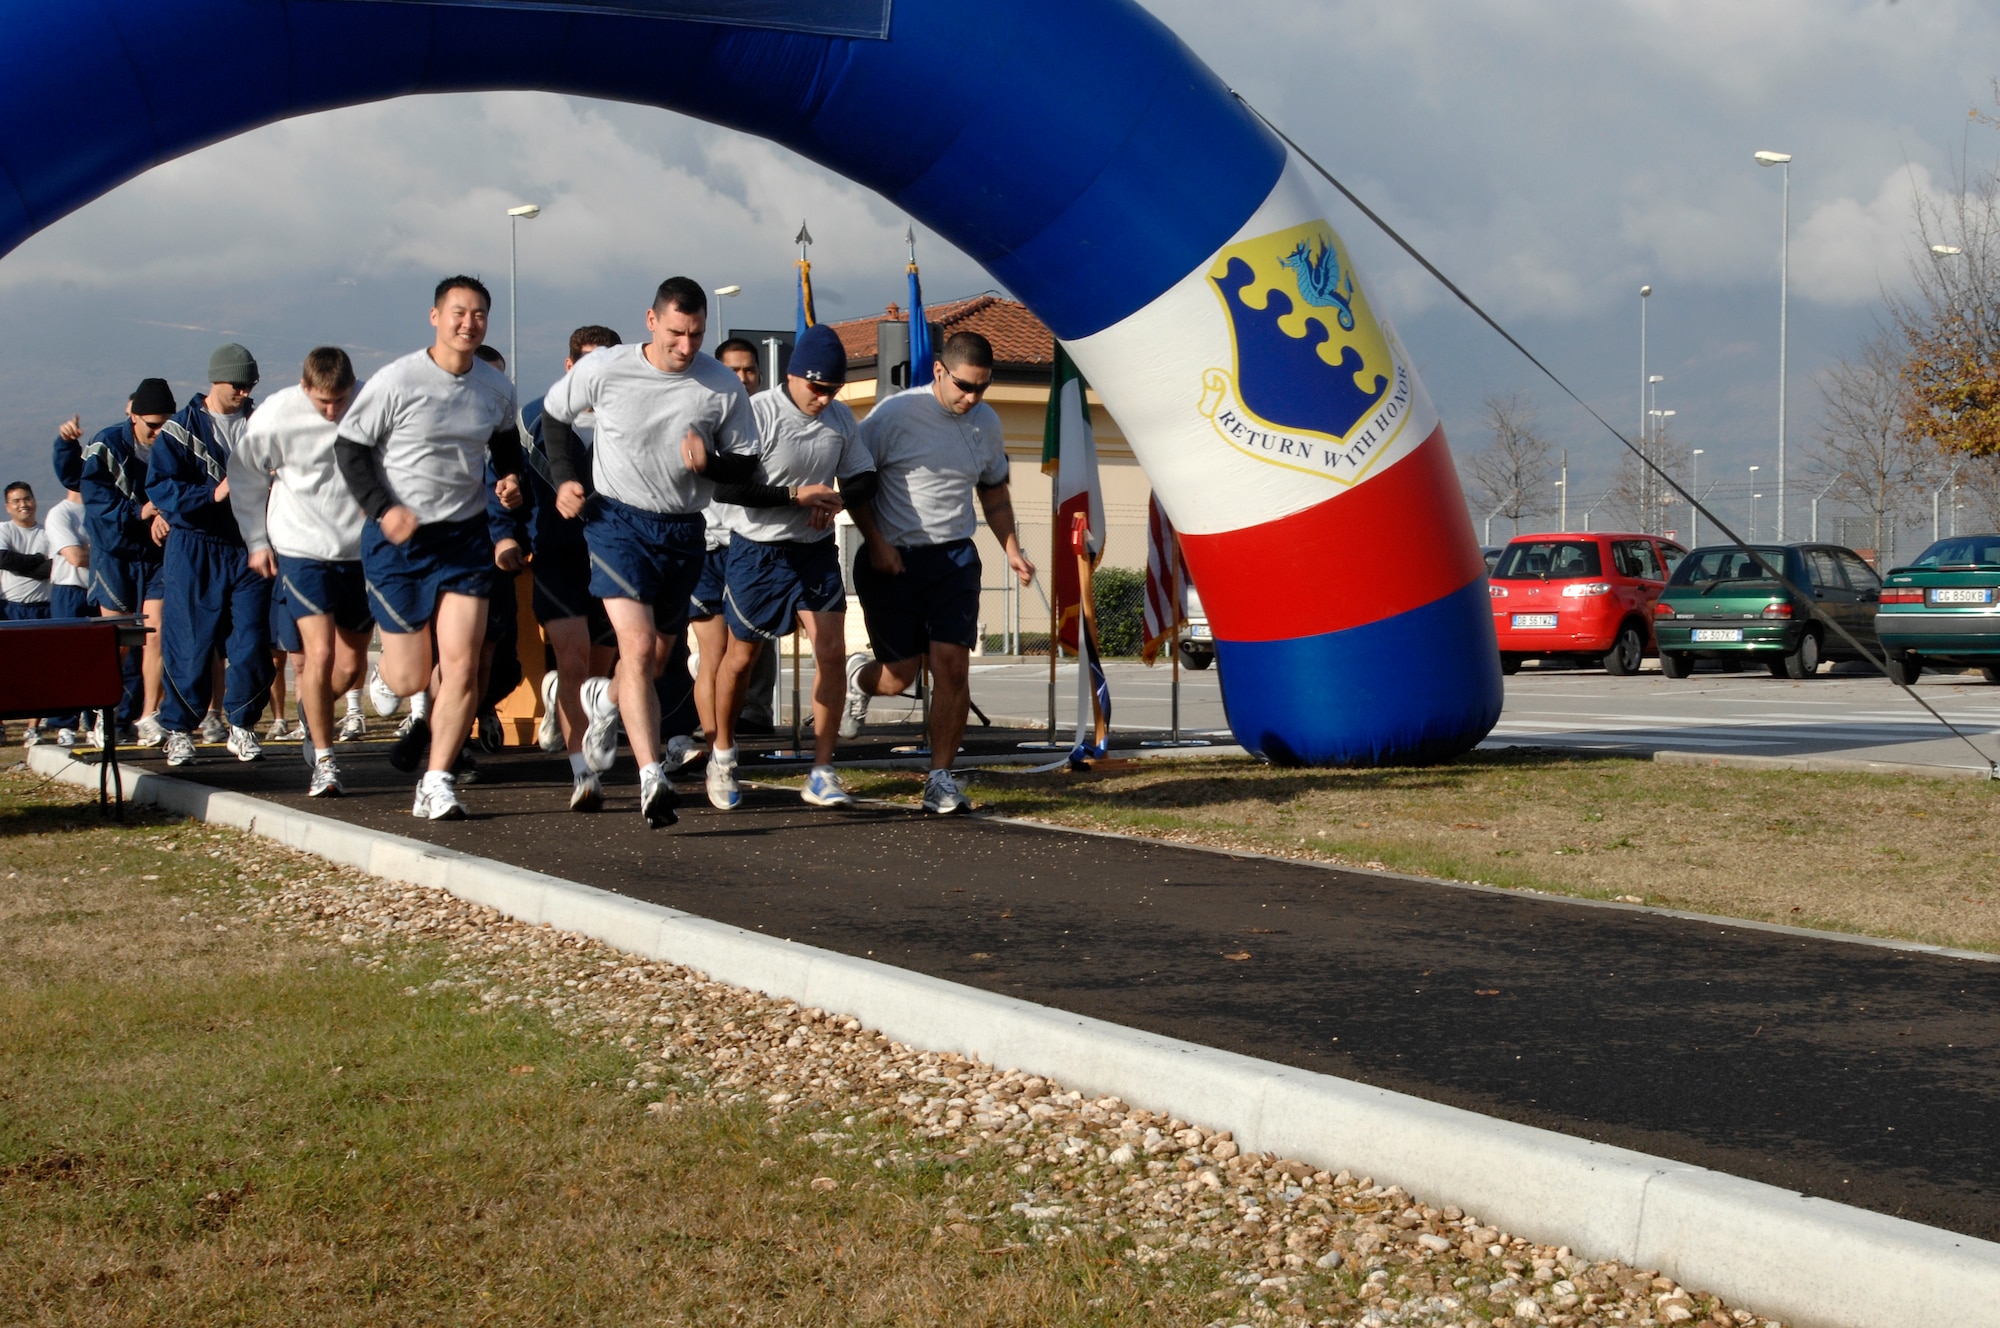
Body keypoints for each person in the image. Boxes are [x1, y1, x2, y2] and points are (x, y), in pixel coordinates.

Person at [540, 276, 780, 827]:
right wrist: (562, 479)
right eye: (676, 332)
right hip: (616, 522)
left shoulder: (720, 385)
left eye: (696, 334)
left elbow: (745, 464)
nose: (686, 346)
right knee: (640, 646)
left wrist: (709, 465)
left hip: (681, 528)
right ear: (652, 322)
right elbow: (554, 416)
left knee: (654, 661)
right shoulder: (607, 368)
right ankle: (652, 777)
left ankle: (602, 701)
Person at [336, 275, 525, 819]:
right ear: (436, 317)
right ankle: (386, 675)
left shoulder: (495, 388)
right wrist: (382, 507)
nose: (469, 323)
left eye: (479, 315)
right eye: (459, 313)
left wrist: (509, 480)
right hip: (400, 540)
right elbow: (350, 449)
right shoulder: (397, 381)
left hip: (465, 538)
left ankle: (436, 780)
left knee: (464, 668)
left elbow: (505, 448)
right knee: (412, 677)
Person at [844, 331, 1034, 814]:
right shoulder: (893, 415)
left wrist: (1011, 547)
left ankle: (941, 777)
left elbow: (994, 493)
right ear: (939, 372)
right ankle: (858, 679)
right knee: (898, 675)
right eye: (965, 386)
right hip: (893, 559)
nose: (973, 398)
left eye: (983, 388)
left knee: (952, 667)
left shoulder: (986, 423)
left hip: (953, 559)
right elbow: (855, 486)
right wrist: (878, 543)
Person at [707, 323, 869, 810]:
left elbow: (865, 478)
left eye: (832, 390)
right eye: (816, 388)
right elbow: (727, 490)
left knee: (831, 651)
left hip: (813, 551)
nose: (823, 399)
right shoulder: (758, 414)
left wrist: (837, 500)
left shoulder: (841, 420)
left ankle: (822, 770)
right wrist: (796, 496)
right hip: (758, 551)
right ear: (794, 376)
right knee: (741, 659)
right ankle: (722, 754)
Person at [229, 346, 374, 798]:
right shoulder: (277, 414)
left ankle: (316, 715)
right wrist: (257, 541)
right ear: (304, 387)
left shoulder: (374, 404)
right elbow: (244, 476)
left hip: (359, 548)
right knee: (319, 654)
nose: (332, 411)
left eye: (340, 400)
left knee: (351, 667)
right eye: (322, 402)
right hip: (301, 547)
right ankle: (326, 761)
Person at [146, 343, 274, 766]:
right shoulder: (178, 431)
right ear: (215, 380)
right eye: (237, 384)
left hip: (249, 544)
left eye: (250, 384)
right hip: (195, 545)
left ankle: (242, 724)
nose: (244, 391)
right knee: (190, 641)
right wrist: (212, 492)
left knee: (253, 638)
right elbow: (162, 488)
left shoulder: (263, 423)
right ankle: (180, 729)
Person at [521, 324, 622, 809]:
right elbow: (505, 478)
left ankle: (563, 694)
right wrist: (509, 514)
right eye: (586, 365)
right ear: (569, 368)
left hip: (613, 554)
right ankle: (582, 772)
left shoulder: (627, 417)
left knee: (600, 671)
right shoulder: (536, 418)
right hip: (558, 556)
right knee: (576, 656)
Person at [689, 337, 779, 750]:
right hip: (707, 545)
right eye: (734, 370)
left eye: (750, 370)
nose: (743, 378)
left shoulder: (768, 418)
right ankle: (713, 740)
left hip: (753, 543)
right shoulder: (701, 416)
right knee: (715, 651)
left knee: (749, 649)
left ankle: (745, 719)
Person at [80, 380, 175, 744]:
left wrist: (165, 513)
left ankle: (150, 714)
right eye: (152, 425)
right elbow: (96, 501)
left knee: (157, 632)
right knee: (117, 640)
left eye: (165, 423)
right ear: (133, 417)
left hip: (156, 555)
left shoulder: (175, 444)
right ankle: (103, 716)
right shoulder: (105, 446)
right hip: (115, 554)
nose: (159, 432)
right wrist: (140, 512)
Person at [42, 480, 92, 744]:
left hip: (97, 589)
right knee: (67, 657)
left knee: (98, 658)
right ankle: (64, 724)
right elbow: (76, 557)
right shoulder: (60, 513)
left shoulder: (98, 508)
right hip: (68, 589)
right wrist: (105, 551)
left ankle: (96, 718)